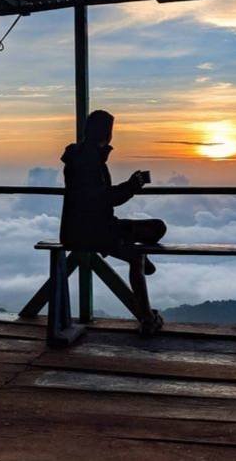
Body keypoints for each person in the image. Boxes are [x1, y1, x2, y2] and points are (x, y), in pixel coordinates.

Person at [59, 109, 167, 336]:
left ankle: (142, 267)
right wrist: (132, 186)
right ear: (106, 133)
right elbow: (104, 199)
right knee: (148, 239)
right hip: (95, 231)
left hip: (77, 229)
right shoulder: (90, 161)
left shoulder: (78, 158)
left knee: (150, 234)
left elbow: (96, 198)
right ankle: (147, 318)